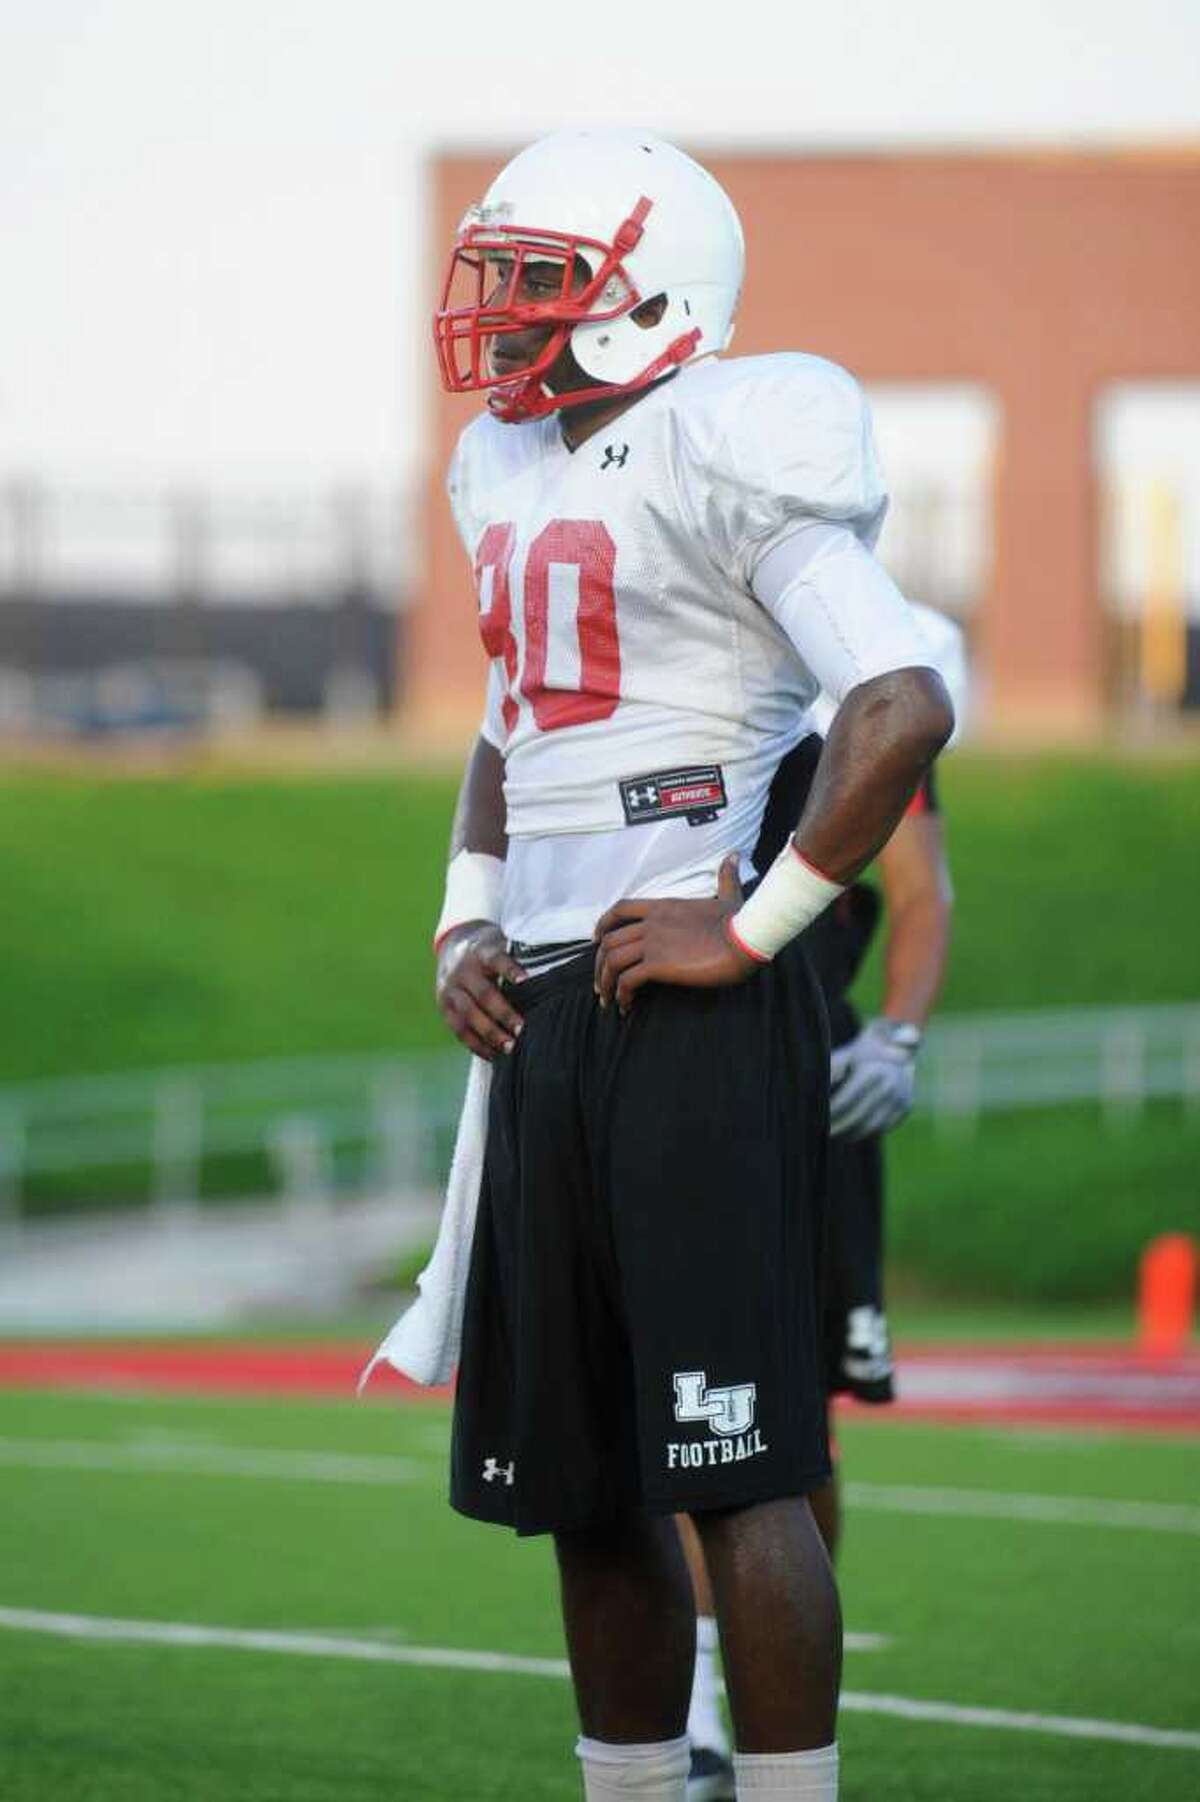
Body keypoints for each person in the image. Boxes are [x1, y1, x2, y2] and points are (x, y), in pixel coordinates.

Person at [379, 128, 953, 1802]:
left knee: (735, 1462)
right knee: (583, 1479)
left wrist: (758, 920)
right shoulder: (502, 462)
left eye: (539, 276)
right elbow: (510, 723)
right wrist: (461, 916)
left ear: (651, 292)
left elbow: (898, 702)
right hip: (548, 1002)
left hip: (692, 1005)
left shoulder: (732, 436)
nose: (501, 313)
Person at [677, 648, 957, 1797]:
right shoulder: (666, 683)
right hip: (682, 1068)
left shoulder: (852, 699)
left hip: (810, 1076)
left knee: (805, 1417)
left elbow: (926, 885)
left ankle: (772, 1690)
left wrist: (896, 1033)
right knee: (686, 1399)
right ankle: (692, 1714)